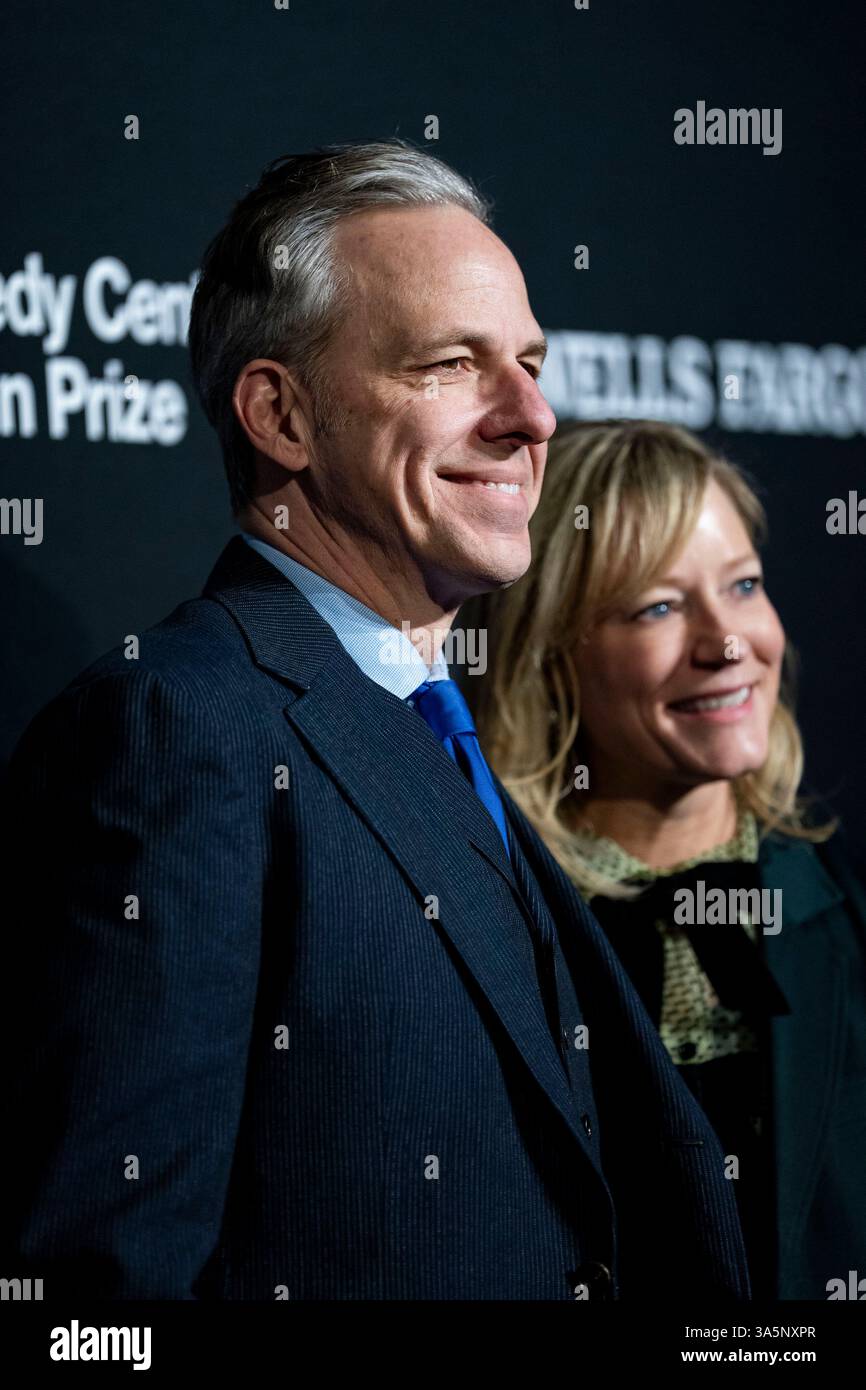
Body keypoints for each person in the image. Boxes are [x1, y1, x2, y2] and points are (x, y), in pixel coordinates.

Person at [1, 147, 748, 1302]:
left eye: (531, 364)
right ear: (281, 414)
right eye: (451, 364)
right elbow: (101, 1284)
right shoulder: (176, 724)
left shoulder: (429, 724)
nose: (532, 416)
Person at [471, 417, 866, 1300]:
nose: (728, 642)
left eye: (745, 586)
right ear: (553, 654)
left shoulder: (843, 915)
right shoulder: (490, 938)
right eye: (658, 606)